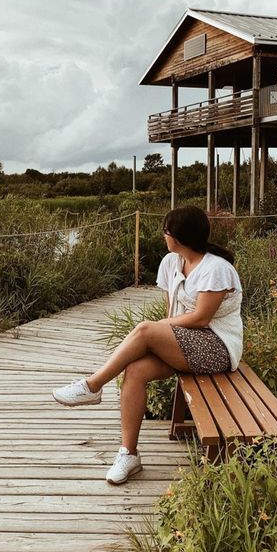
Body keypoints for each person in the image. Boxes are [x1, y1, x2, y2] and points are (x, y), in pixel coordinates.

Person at [52, 206, 243, 484]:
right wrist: (160, 336)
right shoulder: (170, 263)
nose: (163, 236)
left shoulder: (217, 269)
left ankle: (92, 386)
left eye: (166, 231)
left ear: (178, 236)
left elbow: (201, 319)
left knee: (144, 330)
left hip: (216, 348)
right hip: (185, 343)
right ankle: (128, 454)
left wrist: (156, 333)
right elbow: (171, 313)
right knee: (136, 371)